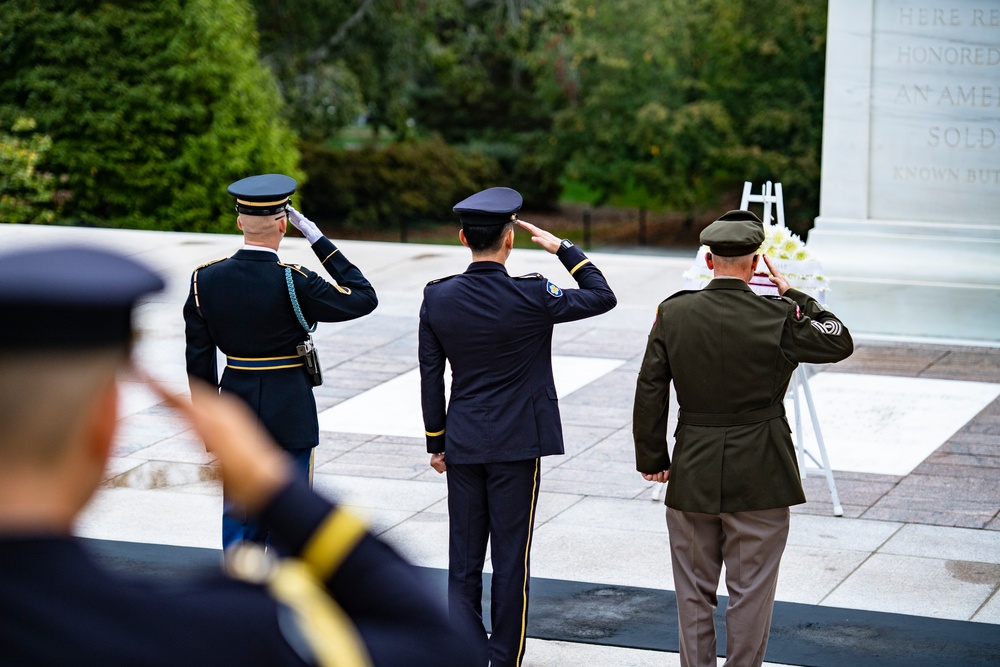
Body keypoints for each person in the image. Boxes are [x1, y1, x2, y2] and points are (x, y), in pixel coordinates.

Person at [0, 244, 484, 666]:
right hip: (288, 409)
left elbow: (197, 351)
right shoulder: (216, 632)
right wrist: (280, 494)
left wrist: (206, 399)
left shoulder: (206, 279)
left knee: (237, 531)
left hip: (235, 387)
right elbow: (442, 647)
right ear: (103, 427)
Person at [632, 210, 854, 667]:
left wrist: (653, 457)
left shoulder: (673, 313)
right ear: (756, 264)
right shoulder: (779, 315)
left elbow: (650, 387)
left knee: (692, 594)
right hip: (762, 472)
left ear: (709, 260)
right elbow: (838, 341)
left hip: (693, 469)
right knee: (751, 593)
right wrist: (794, 293)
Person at [418, 186, 617, 666]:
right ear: (509, 240)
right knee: (510, 560)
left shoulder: (438, 296)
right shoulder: (532, 293)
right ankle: (504, 659)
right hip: (516, 444)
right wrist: (564, 249)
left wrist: (436, 441)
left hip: (463, 440)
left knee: (463, 560)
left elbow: (430, 373)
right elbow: (601, 297)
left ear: (464, 237)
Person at [184, 174, 378, 550]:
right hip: (289, 406)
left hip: (235, 408)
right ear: (284, 224)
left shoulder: (203, 280)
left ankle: (240, 603)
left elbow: (198, 362)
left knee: (240, 518)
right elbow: (363, 297)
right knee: (291, 520)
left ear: (240, 222)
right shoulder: (296, 281)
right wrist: (318, 240)